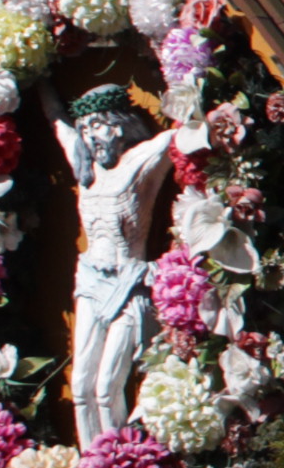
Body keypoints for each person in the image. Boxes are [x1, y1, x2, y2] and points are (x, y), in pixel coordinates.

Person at [39, 81, 184, 445]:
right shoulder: (84, 167)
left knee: (107, 388)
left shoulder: (140, 163)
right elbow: (57, 119)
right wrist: (40, 78)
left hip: (128, 283)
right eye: (85, 129)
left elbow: (180, 134)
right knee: (81, 386)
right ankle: (93, 466)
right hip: (90, 282)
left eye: (98, 126)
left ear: (119, 125)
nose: (90, 137)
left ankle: (118, 458)